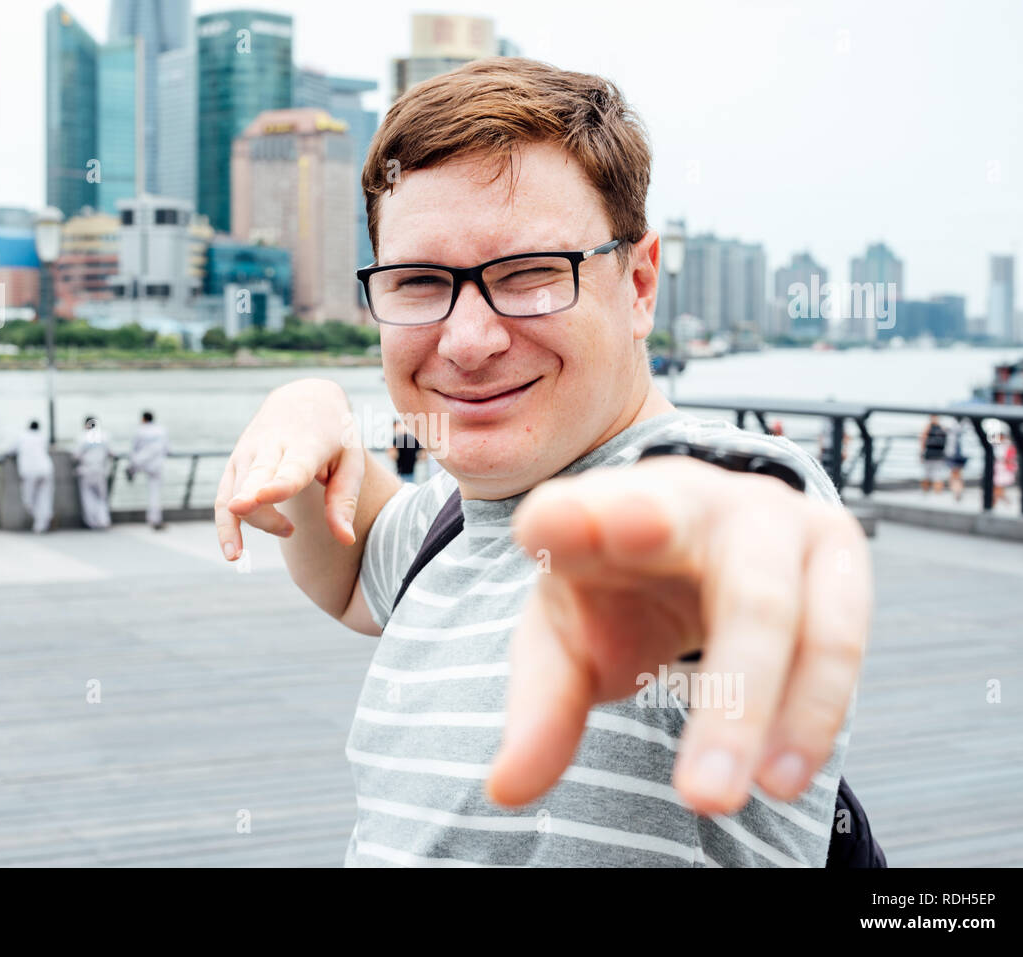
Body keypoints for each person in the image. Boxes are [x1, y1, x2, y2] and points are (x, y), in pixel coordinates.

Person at [215, 59, 870, 867]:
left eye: (528, 275)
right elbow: (350, 569)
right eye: (420, 282)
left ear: (637, 284)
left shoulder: (725, 481)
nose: (469, 339)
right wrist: (306, 406)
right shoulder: (447, 523)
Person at [8, 420, 54, 533]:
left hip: (29, 471)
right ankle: (43, 521)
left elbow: (10, 450)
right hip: (46, 469)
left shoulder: (21, 437)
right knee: (45, 497)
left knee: (28, 499)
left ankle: (41, 523)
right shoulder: (43, 437)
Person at [128, 410, 169, 530]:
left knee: (152, 491)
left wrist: (132, 464)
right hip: (157, 464)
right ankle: (155, 518)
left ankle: (132, 471)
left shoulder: (139, 431)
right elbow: (167, 448)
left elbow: (133, 449)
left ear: (143, 419)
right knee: (155, 492)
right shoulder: (161, 430)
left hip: (142, 463)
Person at [73, 416, 113, 529]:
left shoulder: (82, 437)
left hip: (86, 471)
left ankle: (92, 522)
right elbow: (111, 453)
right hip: (101, 471)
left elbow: (76, 456)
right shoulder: (105, 436)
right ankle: (104, 521)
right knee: (102, 497)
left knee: (88, 497)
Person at [387, 416, 423, 482]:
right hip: (412, 472)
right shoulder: (413, 438)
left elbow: (393, 455)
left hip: (401, 473)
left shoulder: (397, 439)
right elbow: (422, 455)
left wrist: (389, 451)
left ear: (395, 426)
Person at [918, 414, 948, 494]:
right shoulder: (942, 428)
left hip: (929, 454)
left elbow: (923, 440)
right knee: (937, 475)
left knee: (926, 474)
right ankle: (937, 493)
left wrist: (921, 453)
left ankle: (925, 492)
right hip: (939, 454)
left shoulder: (928, 428)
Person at [944, 417, 970, 502]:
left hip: (954, 452)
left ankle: (956, 491)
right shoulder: (966, 423)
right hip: (960, 452)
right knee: (958, 473)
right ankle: (958, 491)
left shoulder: (952, 424)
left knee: (954, 473)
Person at [992, 430, 1017, 508]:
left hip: (1003, 468)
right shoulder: (997, 444)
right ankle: (1003, 501)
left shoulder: (1006, 445)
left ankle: (996, 502)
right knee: (997, 487)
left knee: (998, 486)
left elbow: (1006, 457)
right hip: (999, 468)